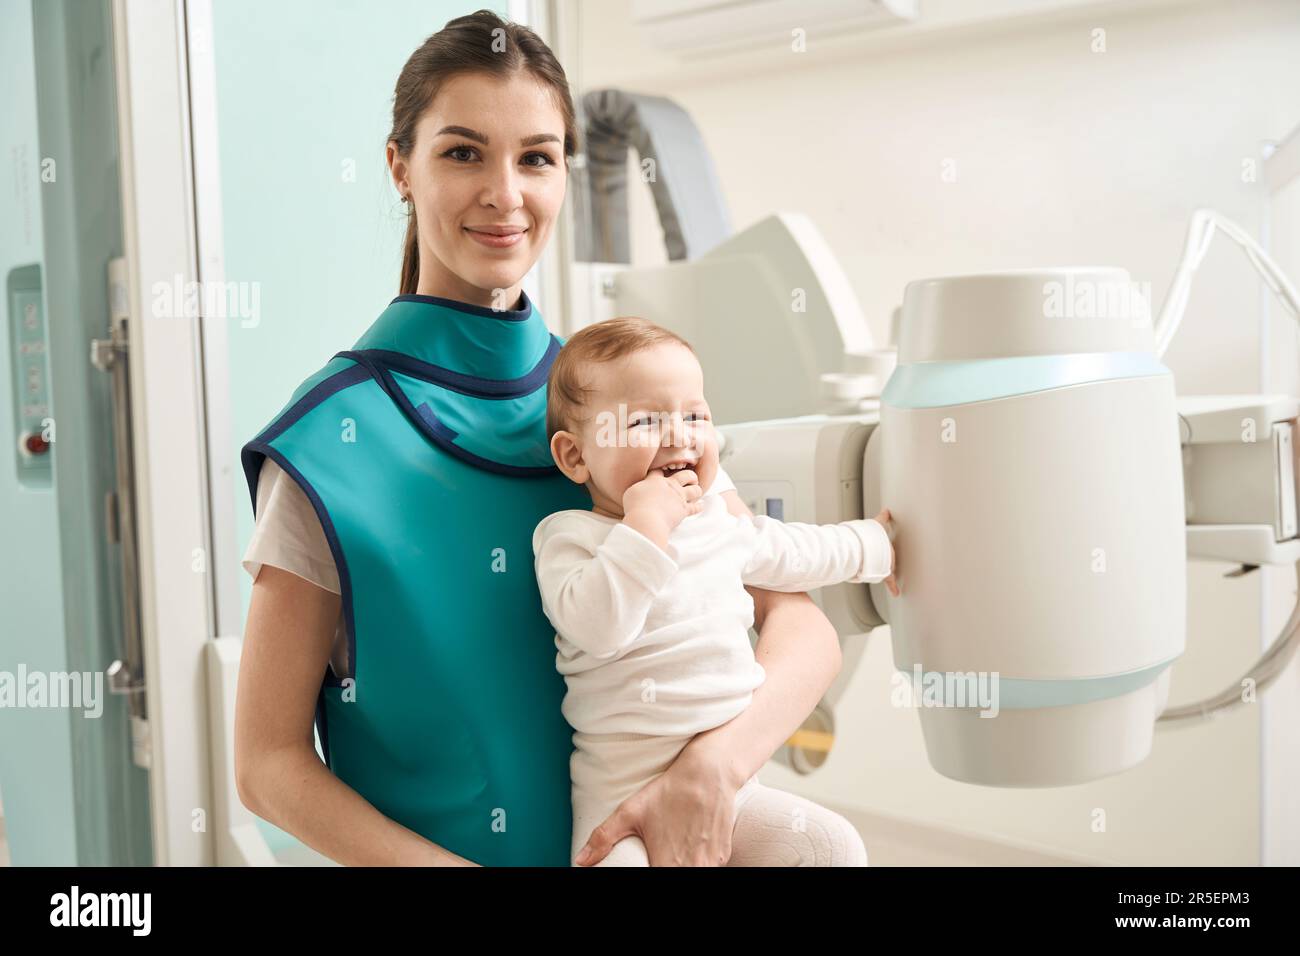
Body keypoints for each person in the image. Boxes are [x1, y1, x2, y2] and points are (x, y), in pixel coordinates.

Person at [234, 9, 851, 867]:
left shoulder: (623, 407)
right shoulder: (331, 445)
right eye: (462, 152)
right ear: (398, 168)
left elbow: (800, 624)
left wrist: (714, 769)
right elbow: (267, 765)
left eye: (536, 157)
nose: (506, 193)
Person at [537, 316, 899, 865]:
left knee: (831, 845)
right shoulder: (570, 537)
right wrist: (647, 528)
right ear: (575, 456)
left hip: (730, 783)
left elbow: (791, 553)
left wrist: (875, 545)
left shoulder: (715, 521)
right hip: (619, 804)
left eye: (695, 416)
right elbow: (599, 627)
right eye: (645, 422)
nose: (679, 436)